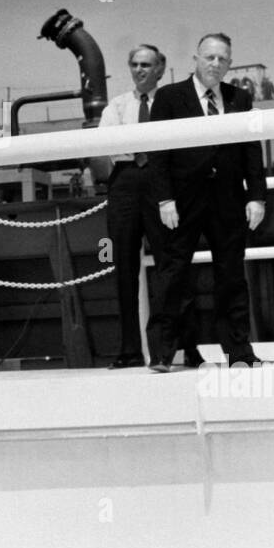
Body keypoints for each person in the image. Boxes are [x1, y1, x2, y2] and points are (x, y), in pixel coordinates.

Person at [149, 32, 267, 370]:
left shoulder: (239, 98)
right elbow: (157, 151)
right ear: (196, 60)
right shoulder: (170, 97)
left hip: (228, 200)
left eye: (223, 59)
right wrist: (164, 198)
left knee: (231, 276)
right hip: (182, 201)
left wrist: (256, 196)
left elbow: (251, 150)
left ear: (230, 63)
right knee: (173, 275)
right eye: (210, 57)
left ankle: (238, 352)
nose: (216, 64)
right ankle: (165, 352)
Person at [96, 45, 175, 368]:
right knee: (124, 268)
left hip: (161, 180)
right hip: (125, 182)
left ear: (160, 68)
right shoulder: (117, 106)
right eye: (135, 64)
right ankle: (129, 351)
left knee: (170, 265)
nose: (140, 70)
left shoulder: (170, 103)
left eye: (147, 64)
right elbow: (106, 143)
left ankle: (167, 349)